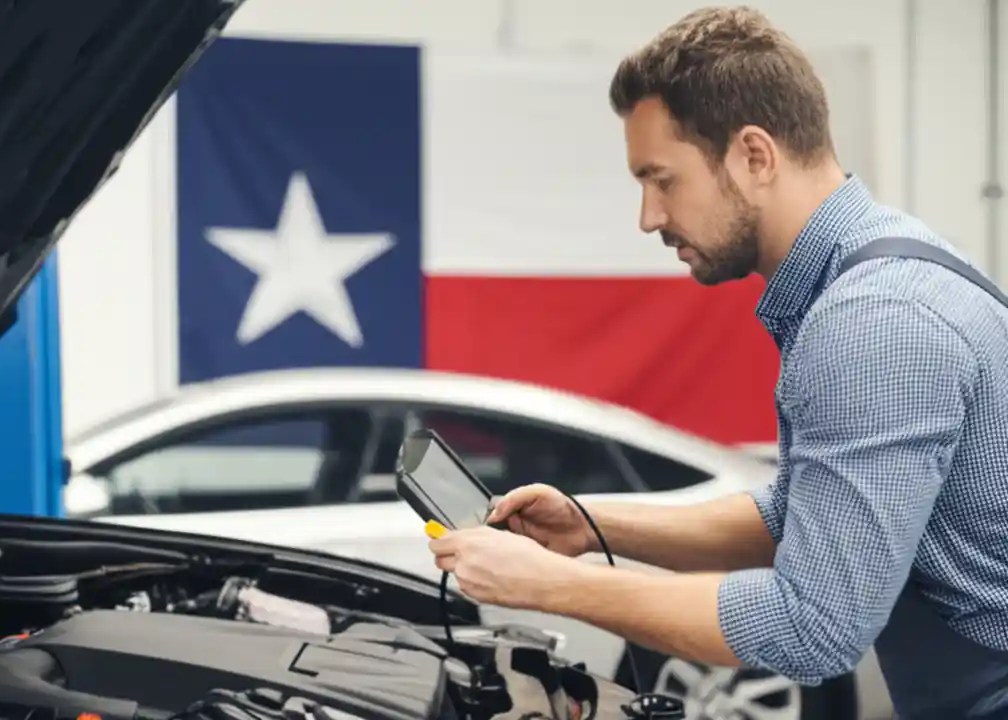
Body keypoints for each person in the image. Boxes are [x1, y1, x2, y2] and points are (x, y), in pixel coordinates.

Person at [427, 6, 1008, 718]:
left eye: (662, 179)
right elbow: (799, 515)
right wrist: (590, 526)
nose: (648, 215)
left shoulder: (875, 322)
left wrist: (547, 585)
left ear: (754, 156)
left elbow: (813, 626)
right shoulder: (872, 275)